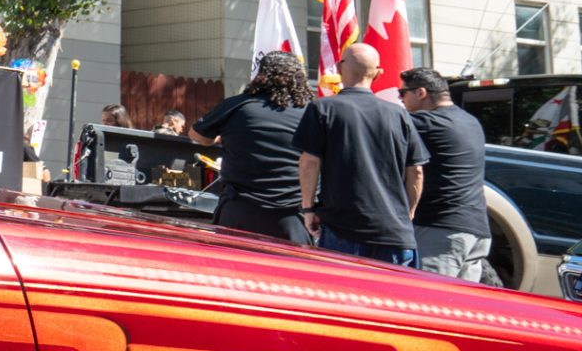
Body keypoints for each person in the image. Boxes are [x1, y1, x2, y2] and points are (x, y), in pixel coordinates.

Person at [294, 42, 429, 265]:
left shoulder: (323, 109)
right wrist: (409, 213)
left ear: (338, 68)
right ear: (378, 73)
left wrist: (308, 208)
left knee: (343, 298)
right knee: (392, 299)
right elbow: (416, 171)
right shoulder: (399, 114)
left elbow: (309, 162)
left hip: (343, 229)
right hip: (395, 232)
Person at [193, 53, 315, 245]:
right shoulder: (312, 112)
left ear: (261, 75)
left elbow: (197, 135)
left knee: (232, 271)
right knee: (291, 272)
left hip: (238, 212)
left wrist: (220, 138)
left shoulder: (238, 105)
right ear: (299, 77)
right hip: (291, 215)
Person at [400, 66, 493, 280]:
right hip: (476, 229)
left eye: (402, 93)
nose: (401, 100)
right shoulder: (470, 121)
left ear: (421, 93)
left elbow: (382, 121)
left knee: (429, 300)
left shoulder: (430, 123)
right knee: (460, 306)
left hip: (442, 231)